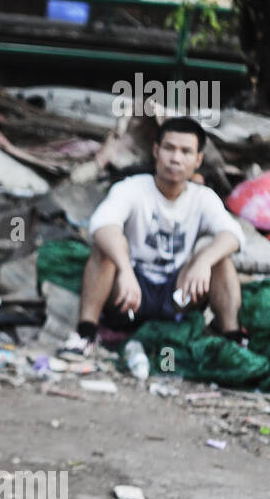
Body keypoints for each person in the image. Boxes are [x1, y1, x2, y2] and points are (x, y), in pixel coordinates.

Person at [59, 116, 246, 360]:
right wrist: (125, 270)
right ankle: (85, 334)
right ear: (156, 151)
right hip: (131, 293)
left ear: (198, 159)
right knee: (104, 251)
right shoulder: (132, 188)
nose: (176, 158)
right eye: (169, 148)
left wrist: (202, 262)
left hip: (178, 294)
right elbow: (102, 225)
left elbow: (234, 235)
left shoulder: (203, 198)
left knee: (221, 259)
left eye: (185, 151)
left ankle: (233, 339)